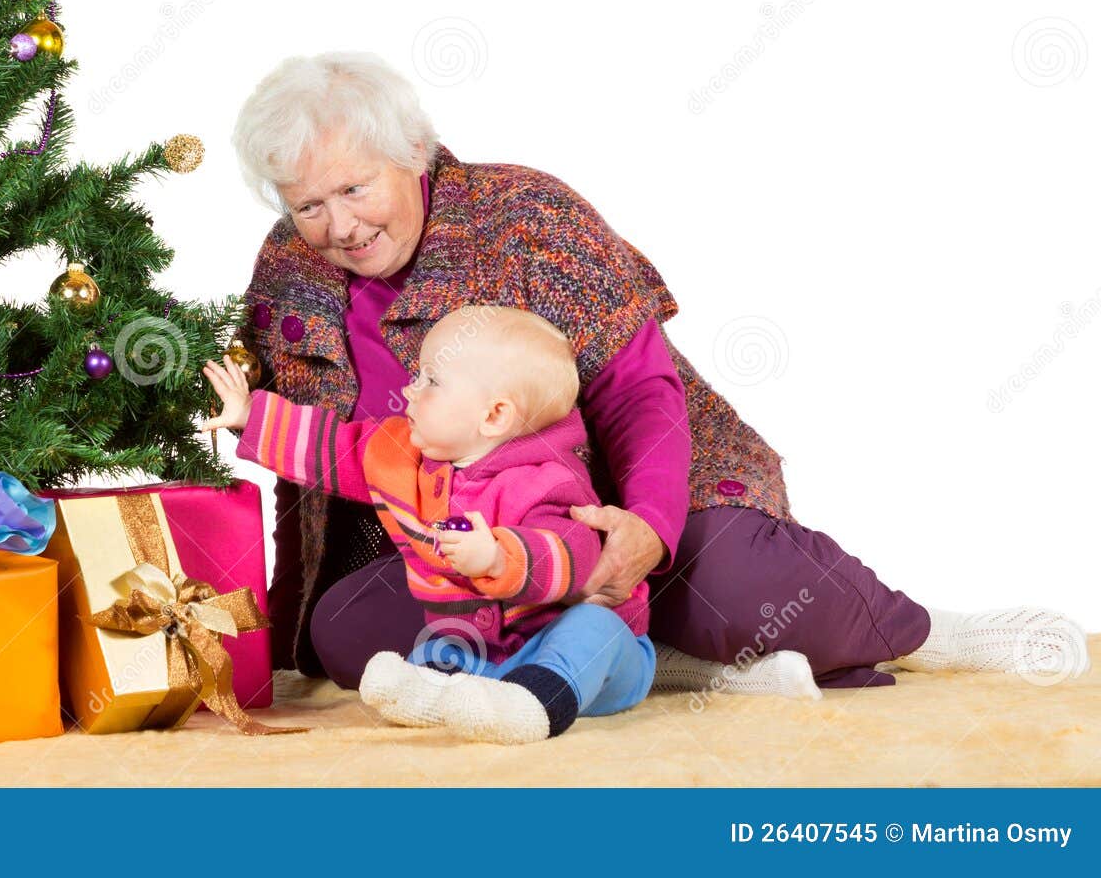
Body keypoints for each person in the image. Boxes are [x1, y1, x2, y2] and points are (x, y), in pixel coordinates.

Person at [228, 51, 1089, 695]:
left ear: (412, 152)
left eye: (355, 189)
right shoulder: (291, 270)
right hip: (474, 550)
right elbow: (309, 461)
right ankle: (664, 665)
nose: (339, 225)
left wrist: (644, 527)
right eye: (308, 205)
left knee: (746, 590)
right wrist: (285, 621)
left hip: (614, 499)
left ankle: (925, 632)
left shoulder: (525, 216)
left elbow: (640, 391)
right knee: (347, 632)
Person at [204, 305, 657, 742]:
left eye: (431, 381)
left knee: (591, 631)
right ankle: (438, 695)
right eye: (417, 375)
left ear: (494, 415)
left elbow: (572, 552)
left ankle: (536, 704)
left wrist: (499, 558)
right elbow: (331, 447)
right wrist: (250, 416)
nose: (410, 390)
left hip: (576, 655)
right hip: (483, 653)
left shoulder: (548, 480)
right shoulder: (402, 453)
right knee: (434, 651)